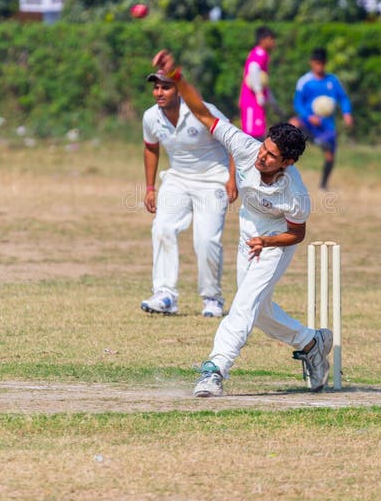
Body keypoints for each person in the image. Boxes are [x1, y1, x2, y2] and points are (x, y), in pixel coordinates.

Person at [151, 48, 334, 399]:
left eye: (271, 157)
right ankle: (312, 342)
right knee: (260, 312)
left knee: (244, 305)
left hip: (275, 242)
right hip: (249, 232)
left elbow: (297, 233)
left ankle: (215, 368)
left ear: (289, 162)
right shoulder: (248, 148)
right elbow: (203, 113)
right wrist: (176, 76)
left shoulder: (295, 194)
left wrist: (267, 243)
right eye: (263, 149)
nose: (262, 158)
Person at [141, 70, 238, 317]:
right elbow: (151, 148)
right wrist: (150, 188)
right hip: (178, 179)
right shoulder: (151, 117)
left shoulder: (202, 110)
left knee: (205, 240)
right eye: (156, 88)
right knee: (162, 228)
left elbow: (232, 141)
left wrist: (232, 179)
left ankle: (212, 299)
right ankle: (165, 295)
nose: (159, 93)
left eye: (166, 87)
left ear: (179, 89)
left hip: (213, 179)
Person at [290, 47, 353, 190]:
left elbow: (343, 98)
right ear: (311, 63)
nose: (320, 66)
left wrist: (347, 113)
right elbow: (297, 103)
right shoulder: (304, 81)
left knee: (330, 157)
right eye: (317, 63)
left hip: (326, 126)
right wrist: (308, 116)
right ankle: (282, 171)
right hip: (308, 123)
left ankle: (323, 185)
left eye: (322, 63)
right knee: (292, 123)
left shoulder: (332, 81)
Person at [239, 26, 277, 140]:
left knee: (259, 134)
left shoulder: (262, 54)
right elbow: (253, 69)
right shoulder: (259, 54)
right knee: (251, 137)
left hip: (255, 102)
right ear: (263, 40)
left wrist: (270, 99)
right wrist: (259, 93)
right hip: (251, 101)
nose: (273, 42)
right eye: (271, 38)